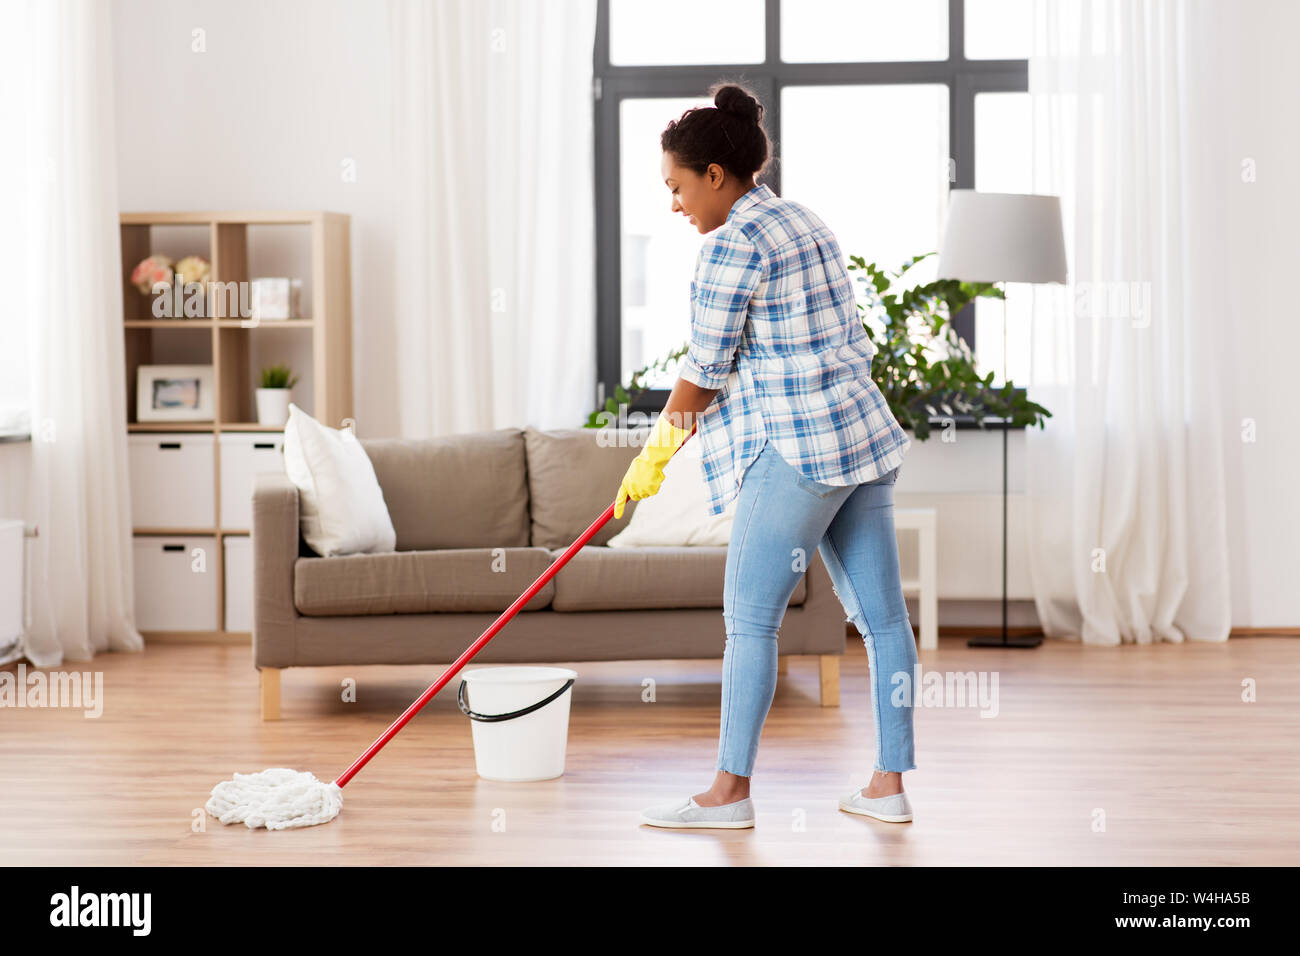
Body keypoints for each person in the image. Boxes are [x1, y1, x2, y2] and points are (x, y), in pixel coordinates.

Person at [613, 82, 919, 830]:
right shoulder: (802, 220)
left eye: (677, 187)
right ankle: (889, 786)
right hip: (860, 440)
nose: (675, 204)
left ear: (715, 175)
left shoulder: (730, 245)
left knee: (749, 622)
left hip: (797, 450)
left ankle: (728, 796)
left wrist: (650, 459)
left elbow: (703, 372)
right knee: (882, 620)